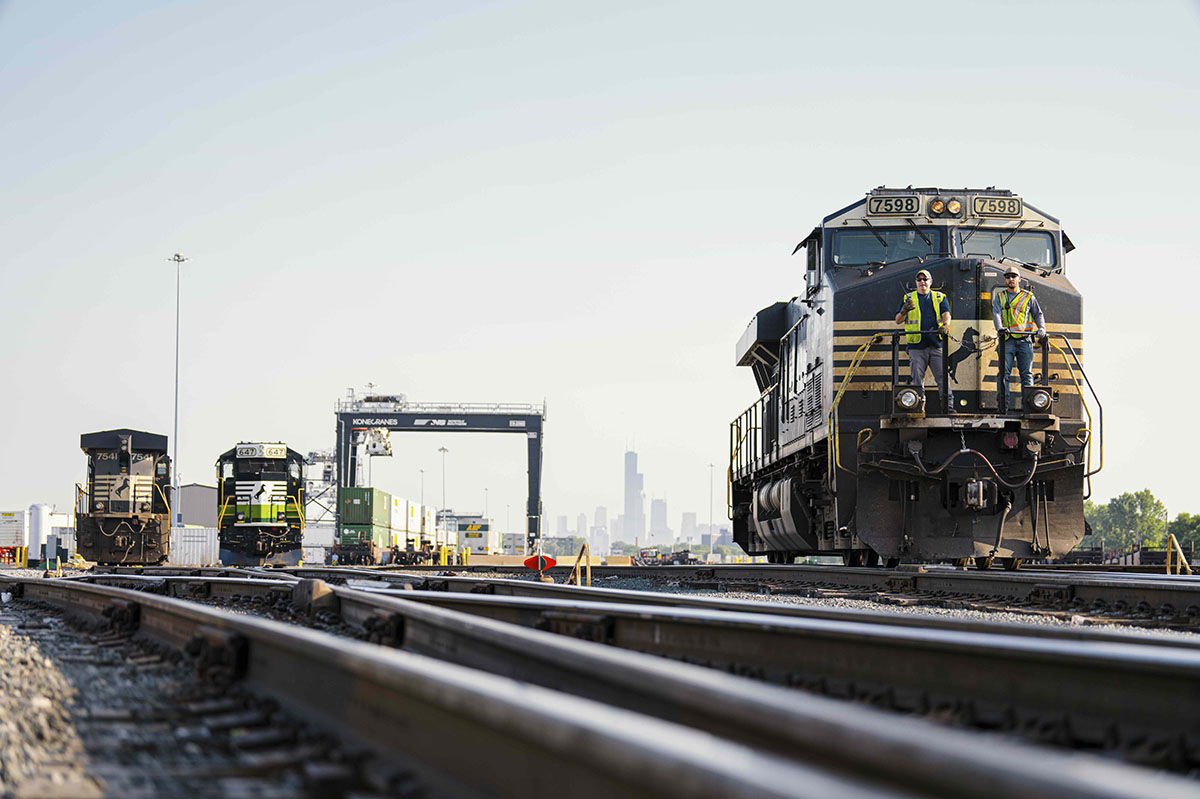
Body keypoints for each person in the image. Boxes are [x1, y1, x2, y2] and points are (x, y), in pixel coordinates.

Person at [894, 269, 953, 412]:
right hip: (916, 347)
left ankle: (948, 408)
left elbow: (946, 314)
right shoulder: (908, 298)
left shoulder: (939, 297)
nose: (922, 282)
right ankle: (918, 408)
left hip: (936, 345)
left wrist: (945, 326)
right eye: (919, 280)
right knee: (917, 382)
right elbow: (897, 321)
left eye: (925, 279)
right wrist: (904, 310)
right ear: (916, 283)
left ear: (930, 282)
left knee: (943, 379)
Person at [992, 266, 1047, 410]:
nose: (1011, 279)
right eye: (1008, 277)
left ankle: (1029, 407)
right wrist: (1000, 329)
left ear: (1019, 279)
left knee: (1027, 375)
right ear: (1005, 279)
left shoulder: (1029, 297)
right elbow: (996, 314)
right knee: (1004, 375)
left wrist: (1041, 328)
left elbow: (1038, 314)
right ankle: (1003, 407)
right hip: (1007, 341)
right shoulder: (1000, 297)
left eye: (1013, 276)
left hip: (1025, 341)